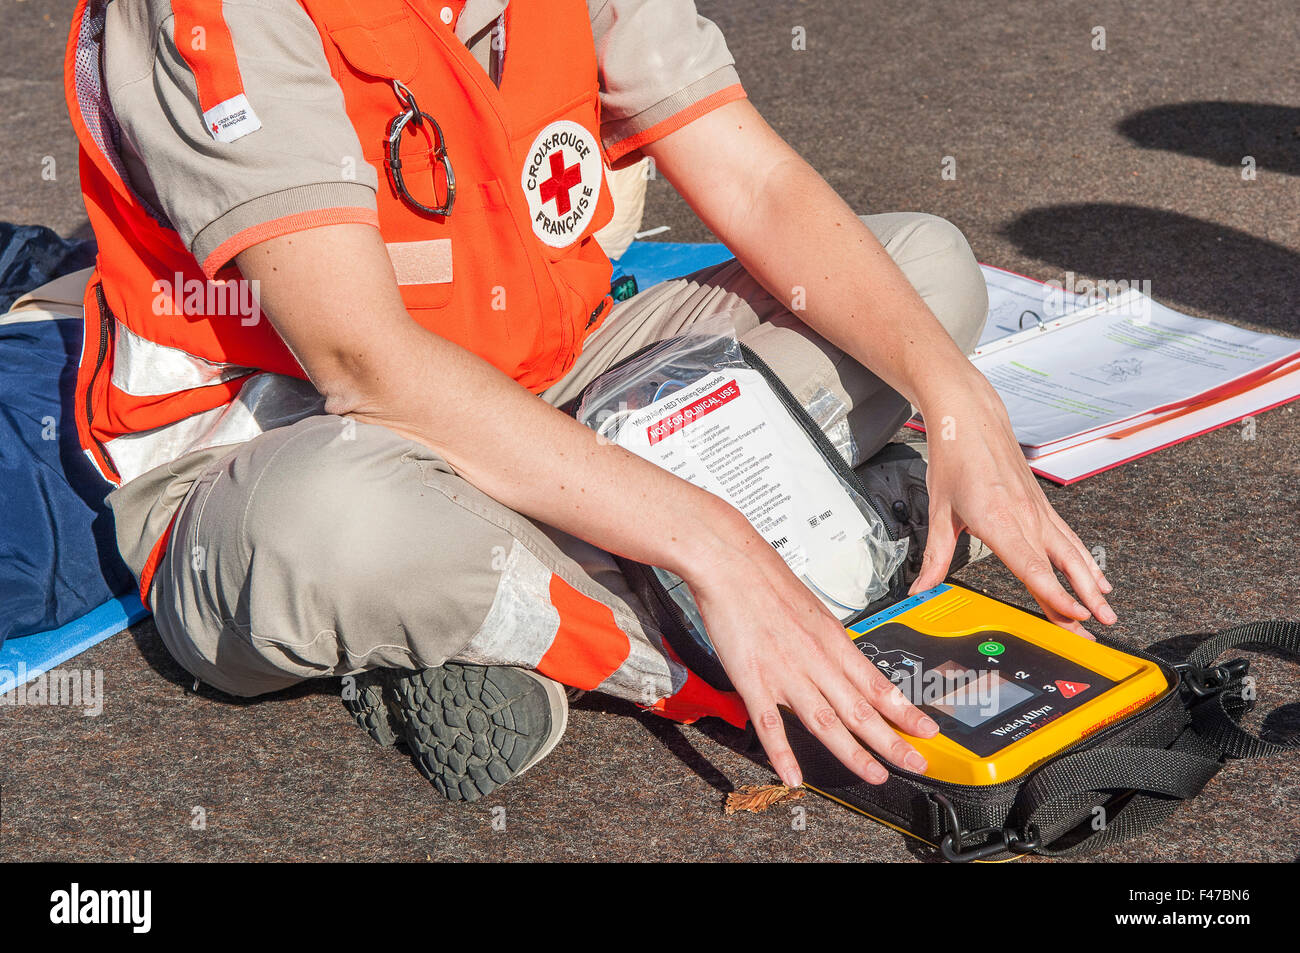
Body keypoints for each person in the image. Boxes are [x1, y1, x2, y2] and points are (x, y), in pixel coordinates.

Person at [66, 0, 1115, 802]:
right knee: (333, 529)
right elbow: (366, 365)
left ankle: (498, 611)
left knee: (923, 277)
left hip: (557, 389)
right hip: (302, 452)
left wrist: (960, 396)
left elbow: (750, 181)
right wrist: (714, 543)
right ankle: (742, 604)